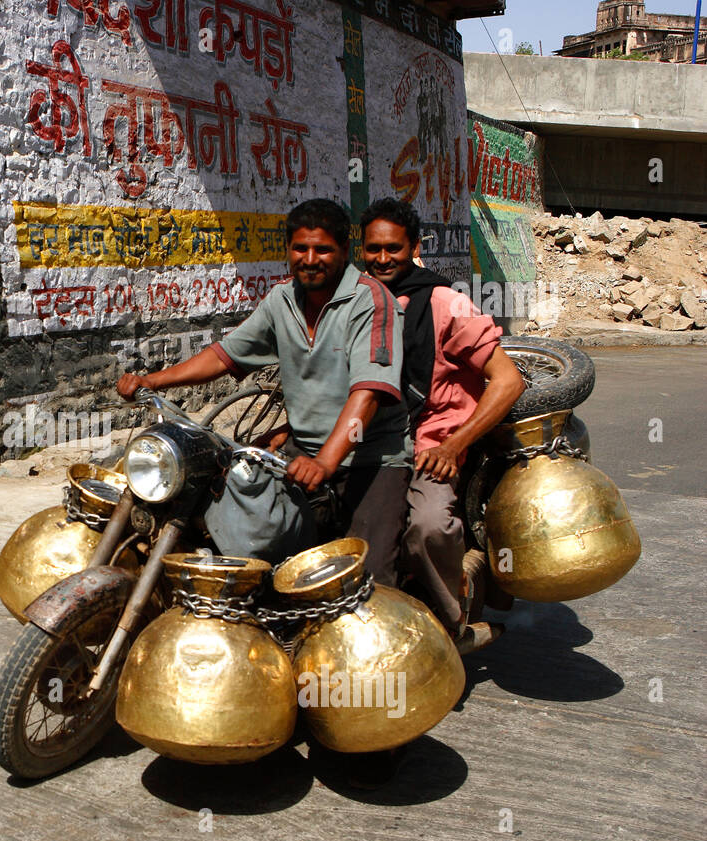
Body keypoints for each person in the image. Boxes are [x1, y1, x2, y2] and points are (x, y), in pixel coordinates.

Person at [117, 198, 410, 586]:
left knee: (366, 580)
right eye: (300, 248)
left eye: (323, 249)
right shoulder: (282, 300)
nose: (310, 258)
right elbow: (223, 356)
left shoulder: (371, 301)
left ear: (344, 251)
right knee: (234, 525)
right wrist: (153, 380)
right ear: (288, 251)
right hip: (300, 451)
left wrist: (325, 461)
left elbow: (368, 392)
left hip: (371, 458)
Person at [359, 197, 525, 641]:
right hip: (368, 442)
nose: (382, 259)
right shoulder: (353, 303)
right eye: (373, 248)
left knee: (427, 526)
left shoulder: (446, 304)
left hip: (430, 445)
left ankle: (451, 623)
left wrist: (454, 445)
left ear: (413, 247)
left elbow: (508, 382)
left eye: (393, 248)